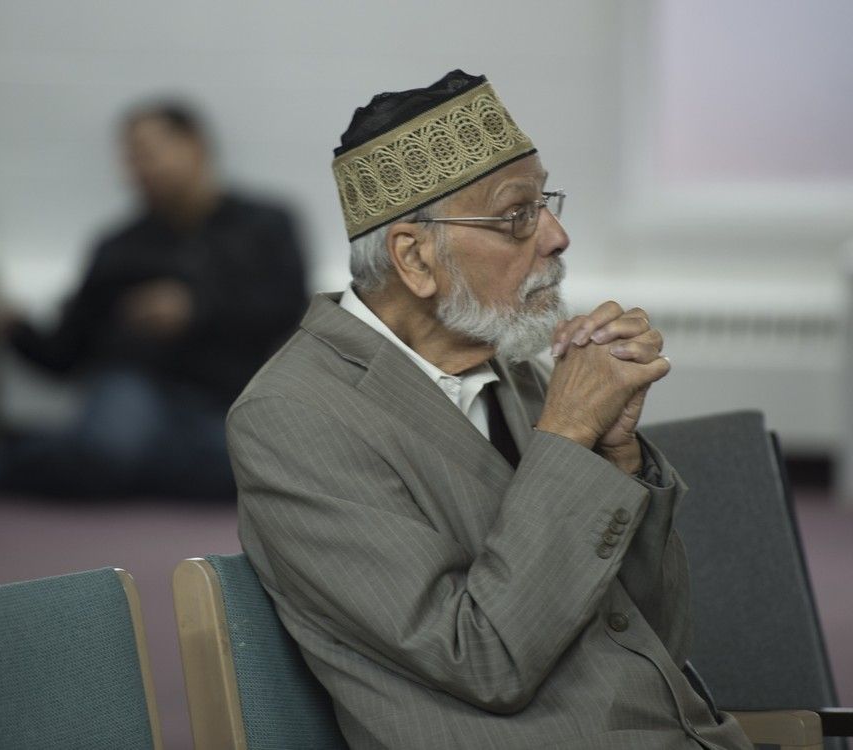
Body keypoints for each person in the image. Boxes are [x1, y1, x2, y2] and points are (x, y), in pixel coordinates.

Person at [226, 71, 753, 748]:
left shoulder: (516, 372)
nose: (558, 236)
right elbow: (479, 659)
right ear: (415, 258)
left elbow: (656, 639)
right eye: (517, 216)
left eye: (547, 202)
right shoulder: (295, 416)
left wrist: (617, 456)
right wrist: (565, 435)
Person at [0, 100, 306, 498]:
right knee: (112, 446)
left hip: (228, 394)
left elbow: (287, 308)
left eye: (149, 154)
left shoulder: (265, 225)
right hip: (137, 387)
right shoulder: (118, 246)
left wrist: (196, 309)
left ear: (195, 146)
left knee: (264, 464)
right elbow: (68, 352)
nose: (139, 170)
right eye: (131, 158)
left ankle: (109, 463)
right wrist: (15, 329)